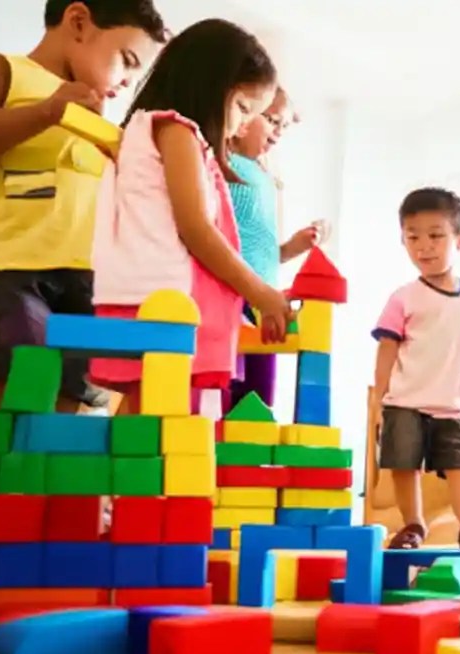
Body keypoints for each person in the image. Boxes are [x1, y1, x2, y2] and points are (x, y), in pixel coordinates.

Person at [0, 0, 166, 455]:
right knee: (0, 392)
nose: (127, 83)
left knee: (63, 405)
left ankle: (37, 516)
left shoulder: (100, 124)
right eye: (127, 61)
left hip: (85, 282)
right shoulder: (7, 71)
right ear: (78, 22)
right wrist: (45, 112)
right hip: (12, 273)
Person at [90, 19, 291, 412]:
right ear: (210, 86)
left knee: (154, 413)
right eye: (243, 107)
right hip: (165, 299)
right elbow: (196, 227)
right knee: (159, 417)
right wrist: (258, 291)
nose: (243, 124)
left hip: (162, 297)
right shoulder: (176, 131)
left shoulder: (162, 133)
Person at [373, 188, 460, 550]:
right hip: (406, 400)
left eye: (436, 235)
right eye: (413, 237)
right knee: (404, 464)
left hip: (455, 403)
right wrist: (378, 400)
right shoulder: (403, 297)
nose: (424, 246)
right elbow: (386, 349)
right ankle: (413, 524)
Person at [226, 86, 325, 412]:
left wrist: (294, 247)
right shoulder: (224, 164)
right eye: (271, 120)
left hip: (264, 299)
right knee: (229, 387)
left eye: (284, 126)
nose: (279, 132)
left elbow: (262, 250)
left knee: (259, 395)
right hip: (235, 294)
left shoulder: (264, 177)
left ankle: (247, 456)